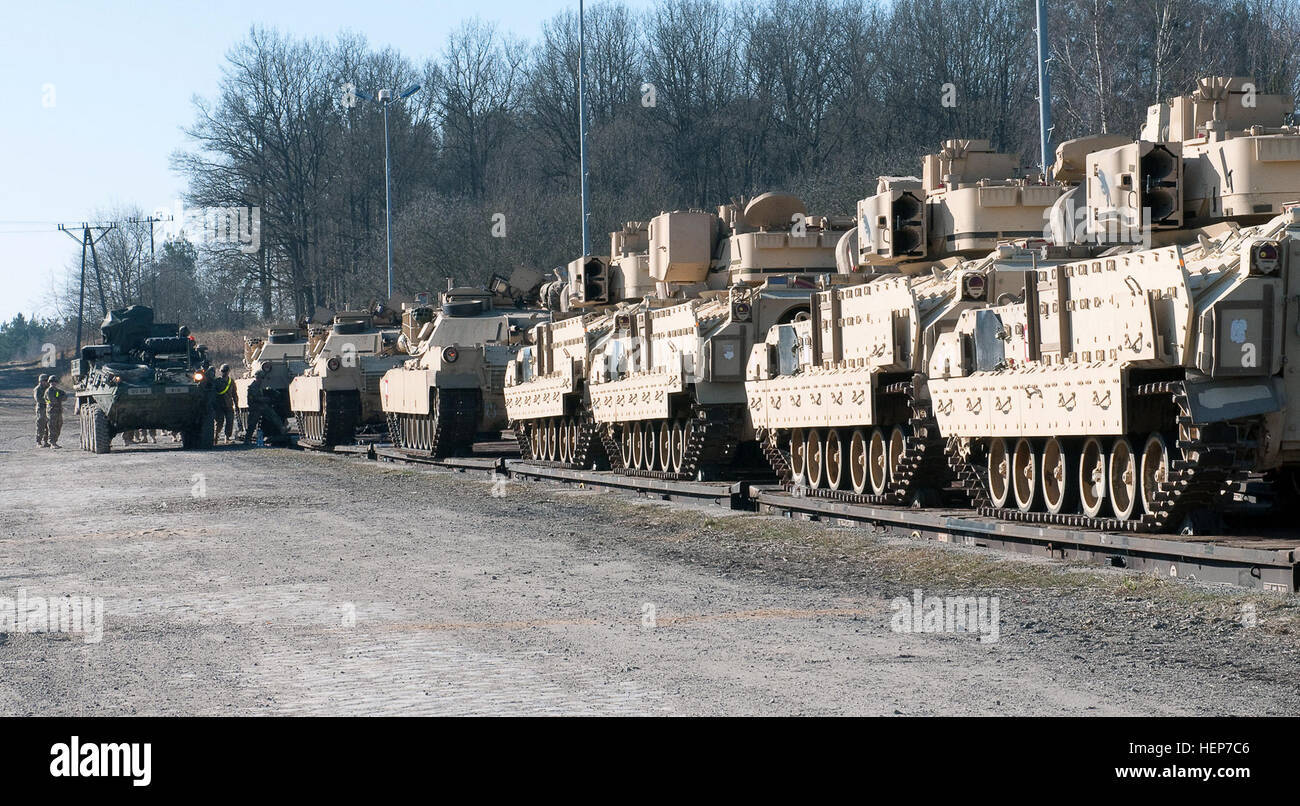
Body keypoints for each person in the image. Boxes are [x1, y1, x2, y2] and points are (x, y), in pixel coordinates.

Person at [242, 367, 285, 445]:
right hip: (256, 408)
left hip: (262, 406)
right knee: (252, 424)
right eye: (261, 377)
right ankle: (247, 440)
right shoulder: (253, 386)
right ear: (258, 377)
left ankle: (282, 429)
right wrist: (267, 399)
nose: (262, 379)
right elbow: (256, 398)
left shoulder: (260, 385)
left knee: (273, 415)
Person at [213, 364, 236, 443]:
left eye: (226, 371)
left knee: (230, 421)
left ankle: (227, 437)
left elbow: (234, 394)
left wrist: (236, 404)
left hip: (228, 405)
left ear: (228, 371)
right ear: (220, 371)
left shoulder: (231, 381)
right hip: (219, 405)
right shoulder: (216, 381)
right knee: (219, 422)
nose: (224, 373)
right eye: (223, 371)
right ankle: (216, 436)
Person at [44, 376, 67, 448]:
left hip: (58, 411)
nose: (53, 383)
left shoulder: (56, 391)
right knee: (52, 426)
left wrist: (60, 397)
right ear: (50, 382)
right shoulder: (49, 391)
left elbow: (64, 396)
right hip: (51, 411)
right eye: (52, 382)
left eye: (55, 382)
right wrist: (60, 398)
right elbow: (52, 400)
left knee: (58, 425)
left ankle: (55, 441)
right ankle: (52, 442)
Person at [34, 374, 50, 447]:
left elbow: (55, 394)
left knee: (48, 426)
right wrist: (49, 401)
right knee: (41, 425)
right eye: (44, 381)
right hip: (41, 408)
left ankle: (46, 441)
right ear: (40, 381)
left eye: (46, 381)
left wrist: (57, 397)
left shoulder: (49, 388)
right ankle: (39, 442)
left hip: (48, 408)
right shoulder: (37, 389)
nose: (45, 382)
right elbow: (38, 399)